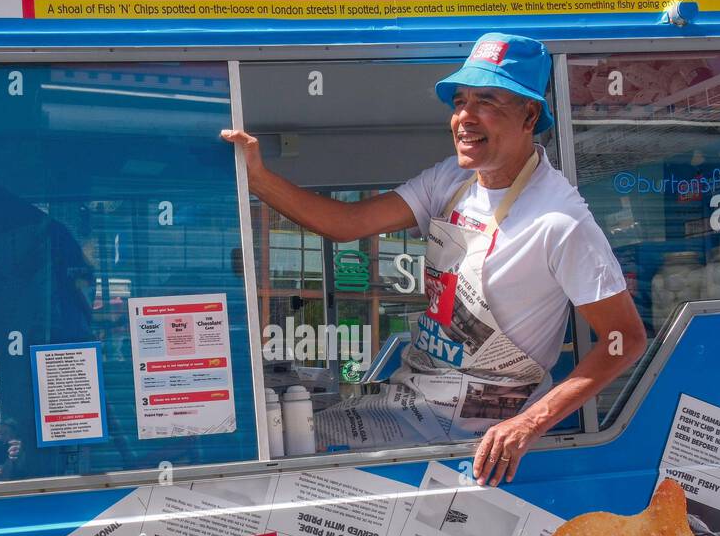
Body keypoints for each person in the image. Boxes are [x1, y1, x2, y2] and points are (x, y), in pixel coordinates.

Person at [222, 33, 646, 486]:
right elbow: (347, 223)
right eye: (460, 100)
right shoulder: (453, 179)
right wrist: (259, 180)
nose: (464, 117)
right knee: (286, 445)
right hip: (414, 400)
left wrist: (529, 423)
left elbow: (625, 340)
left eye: (487, 101)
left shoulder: (560, 221)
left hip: (473, 442)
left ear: (529, 114)